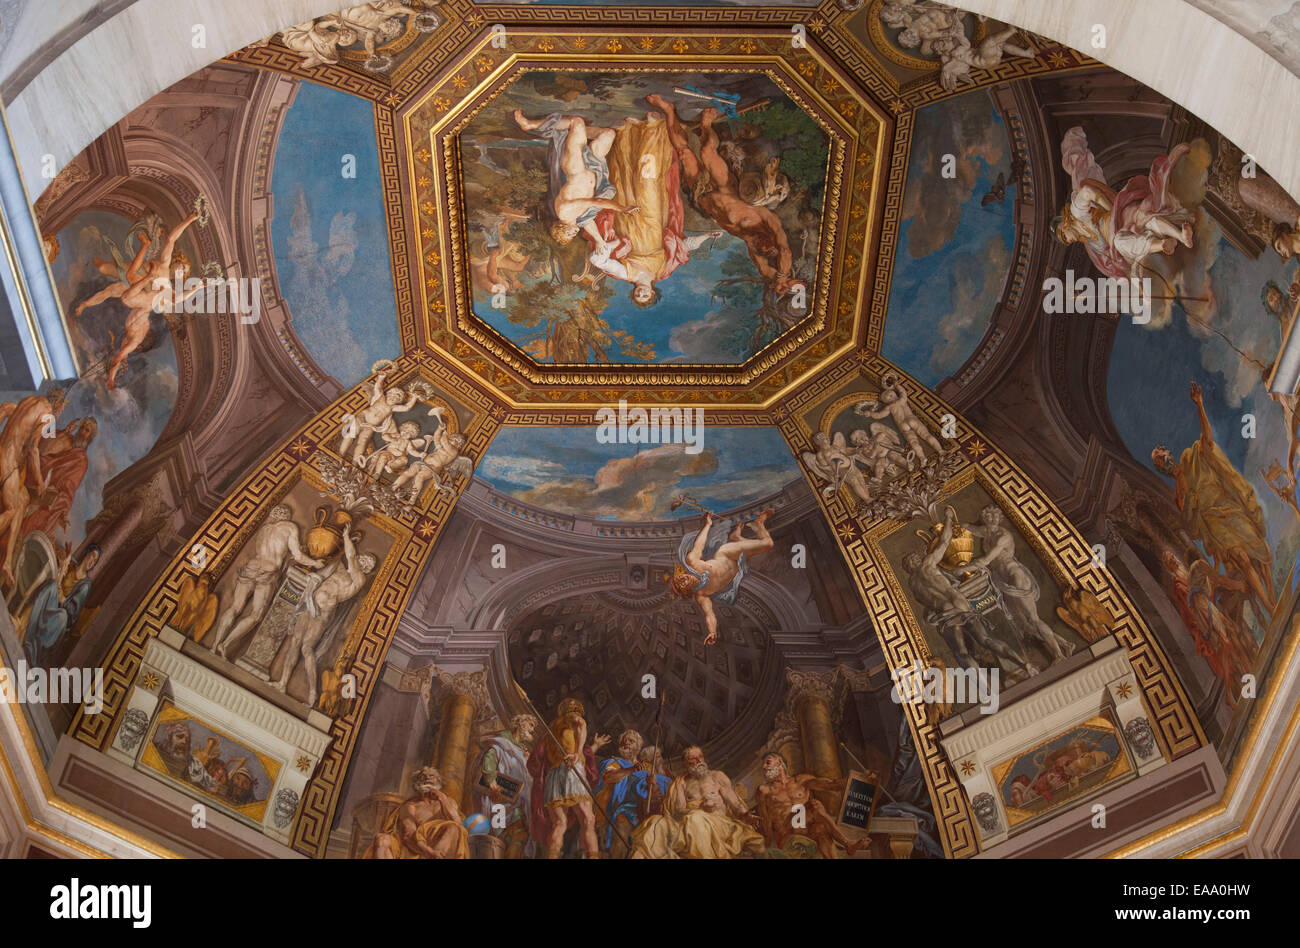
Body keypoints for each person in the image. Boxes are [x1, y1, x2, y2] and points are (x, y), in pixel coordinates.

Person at [648, 94, 804, 299]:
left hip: (702, 195)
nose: (761, 246)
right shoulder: (769, 221)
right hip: (725, 188)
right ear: (773, 243)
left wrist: (779, 282)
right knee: (706, 150)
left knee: (684, 153)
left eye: (762, 250)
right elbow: (786, 252)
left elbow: (767, 271)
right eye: (768, 246)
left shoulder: (752, 246)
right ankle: (706, 127)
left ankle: (668, 109)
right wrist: (784, 277)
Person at [1152, 382, 1276, 631]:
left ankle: (1274, 601)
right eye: (1159, 460)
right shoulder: (1180, 493)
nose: (1165, 459)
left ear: (1170, 452)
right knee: (1241, 558)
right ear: (1160, 469)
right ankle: (1270, 609)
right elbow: (1193, 528)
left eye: (1163, 453)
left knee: (1260, 556)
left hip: (1228, 507)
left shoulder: (1191, 457)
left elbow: (1207, 441)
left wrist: (1200, 405)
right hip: (1215, 525)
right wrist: (1192, 503)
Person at [73, 210, 202, 389]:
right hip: (135, 274)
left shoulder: (168, 290)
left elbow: (178, 299)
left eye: (183, 271)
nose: (180, 269)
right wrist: (191, 218)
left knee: (111, 291)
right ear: (176, 262)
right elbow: (172, 238)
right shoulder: (164, 264)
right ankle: (93, 256)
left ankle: (84, 303)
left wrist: (194, 289)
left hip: (134, 289)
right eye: (181, 265)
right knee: (102, 267)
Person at [274, 531, 376, 706]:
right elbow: (328, 566)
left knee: (307, 649)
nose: (362, 561)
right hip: (310, 604)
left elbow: (350, 555)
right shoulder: (340, 568)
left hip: (323, 613)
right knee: (295, 642)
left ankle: (312, 693)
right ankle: (282, 683)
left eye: (366, 563)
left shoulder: (359, 579)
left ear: (367, 569)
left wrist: (346, 538)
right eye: (363, 558)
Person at [210, 504, 324, 660]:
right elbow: (298, 556)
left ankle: (214, 644)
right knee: (256, 615)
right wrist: (315, 563)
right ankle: (225, 644)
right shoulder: (290, 527)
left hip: (251, 567)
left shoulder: (265, 529)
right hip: (268, 573)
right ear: (287, 515)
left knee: (234, 608)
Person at [512, 110, 640, 247]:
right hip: (594, 168)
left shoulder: (564, 212)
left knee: (576, 122)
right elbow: (587, 221)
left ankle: (531, 124)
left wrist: (622, 208)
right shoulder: (577, 219)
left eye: (569, 234)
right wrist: (599, 241)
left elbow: (597, 201)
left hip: (576, 168)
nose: (574, 234)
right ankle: (577, 131)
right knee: (608, 134)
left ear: (561, 228)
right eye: (572, 237)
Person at [966, 505, 1075, 663]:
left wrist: (963, 569)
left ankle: (1059, 655)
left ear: (999, 519)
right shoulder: (987, 532)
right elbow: (971, 528)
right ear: (984, 518)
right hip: (1003, 581)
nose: (992, 519)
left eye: (995, 516)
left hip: (1015, 576)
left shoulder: (1003, 536)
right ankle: (1066, 644)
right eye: (988, 516)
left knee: (1033, 619)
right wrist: (951, 522)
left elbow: (986, 560)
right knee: (1024, 624)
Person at [630, 745, 764, 858]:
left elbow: (735, 803)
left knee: (696, 818)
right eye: (693, 758)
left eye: (700, 756)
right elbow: (678, 811)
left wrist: (746, 814)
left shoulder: (717, 776)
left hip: (718, 823)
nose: (699, 760)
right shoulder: (681, 783)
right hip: (687, 824)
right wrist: (701, 807)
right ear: (686, 763)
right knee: (655, 822)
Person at [669, 508, 774, 645]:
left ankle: (758, 523)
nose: (682, 579)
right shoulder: (701, 595)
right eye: (681, 584)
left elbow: (699, 544)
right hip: (737, 568)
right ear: (686, 590)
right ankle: (736, 537)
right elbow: (709, 614)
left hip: (727, 554)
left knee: (767, 544)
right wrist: (712, 631)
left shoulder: (692, 562)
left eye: (679, 578)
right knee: (752, 549)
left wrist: (707, 524)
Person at [0, 388, 68, 586]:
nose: (59, 414)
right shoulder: (49, 415)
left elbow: (4, 408)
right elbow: (32, 449)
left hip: (2, 451)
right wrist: (39, 482)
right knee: (12, 510)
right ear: (59, 405)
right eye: (61, 410)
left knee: (23, 501)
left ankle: (6, 562)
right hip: (9, 463)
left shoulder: (29, 400)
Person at [527, 698, 606, 859]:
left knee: (559, 823)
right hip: (571, 772)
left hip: (554, 777)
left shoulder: (552, 729)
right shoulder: (571, 718)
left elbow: (540, 756)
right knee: (588, 819)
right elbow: (581, 724)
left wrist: (590, 748)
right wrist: (578, 753)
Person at [755, 752, 867, 859]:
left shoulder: (801, 781)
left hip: (806, 830)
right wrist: (767, 844)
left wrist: (860, 780)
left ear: (779, 762)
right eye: (763, 765)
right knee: (814, 805)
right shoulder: (764, 791)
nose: (764, 767)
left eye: (768, 762)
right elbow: (765, 820)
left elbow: (831, 785)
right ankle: (847, 844)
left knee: (820, 828)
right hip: (786, 835)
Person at [594, 729, 671, 858]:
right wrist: (630, 770)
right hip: (622, 811)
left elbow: (662, 787)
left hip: (647, 813)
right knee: (620, 845)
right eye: (624, 741)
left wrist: (655, 783)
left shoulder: (648, 767)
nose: (626, 743)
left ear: (639, 746)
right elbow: (608, 777)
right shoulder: (614, 762)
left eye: (631, 741)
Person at [472, 713, 538, 859]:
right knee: (500, 838)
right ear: (519, 722)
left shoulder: (524, 752)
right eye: (530, 725)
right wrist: (493, 785)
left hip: (520, 804)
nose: (532, 730)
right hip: (500, 801)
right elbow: (489, 764)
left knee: (521, 836)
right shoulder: (501, 743)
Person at [365, 766, 469, 859]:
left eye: (431, 776)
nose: (427, 778)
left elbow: (459, 824)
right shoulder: (411, 806)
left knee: (454, 827)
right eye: (422, 777)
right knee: (381, 839)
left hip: (444, 847)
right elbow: (409, 835)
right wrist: (429, 851)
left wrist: (442, 799)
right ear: (417, 783)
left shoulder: (448, 802)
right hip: (417, 847)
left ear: (439, 781)